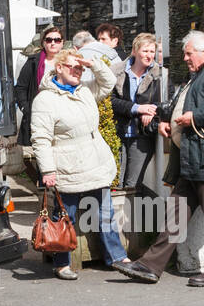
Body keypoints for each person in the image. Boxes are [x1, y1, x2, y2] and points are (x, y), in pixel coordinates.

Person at [115, 31, 204, 286]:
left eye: (189, 53)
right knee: (175, 214)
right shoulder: (198, 76)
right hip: (195, 159)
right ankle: (152, 265)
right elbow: (181, 105)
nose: (185, 57)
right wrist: (167, 121)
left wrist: (195, 118)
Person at [30, 46, 130, 279]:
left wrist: (91, 63)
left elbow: (108, 82)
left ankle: (116, 256)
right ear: (59, 67)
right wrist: (47, 169)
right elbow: (41, 138)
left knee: (105, 213)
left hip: (95, 162)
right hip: (68, 166)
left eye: (79, 67)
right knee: (66, 216)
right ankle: (62, 263)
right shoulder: (45, 99)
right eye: (72, 66)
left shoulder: (84, 90)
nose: (76, 71)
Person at [111, 33, 167, 193]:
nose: (149, 55)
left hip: (142, 135)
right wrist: (138, 108)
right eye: (145, 51)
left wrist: (154, 110)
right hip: (118, 132)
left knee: (132, 184)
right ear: (135, 51)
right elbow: (111, 101)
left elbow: (167, 101)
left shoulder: (160, 75)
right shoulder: (116, 71)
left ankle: (145, 215)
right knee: (115, 183)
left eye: (152, 51)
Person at [14, 25, 61, 146]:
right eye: (49, 40)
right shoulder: (33, 62)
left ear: (62, 43)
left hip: (61, 114)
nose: (53, 43)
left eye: (57, 40)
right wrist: (26, 108)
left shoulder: (67, 62)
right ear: (43, 43)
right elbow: (20, 87)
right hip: (38, 115)